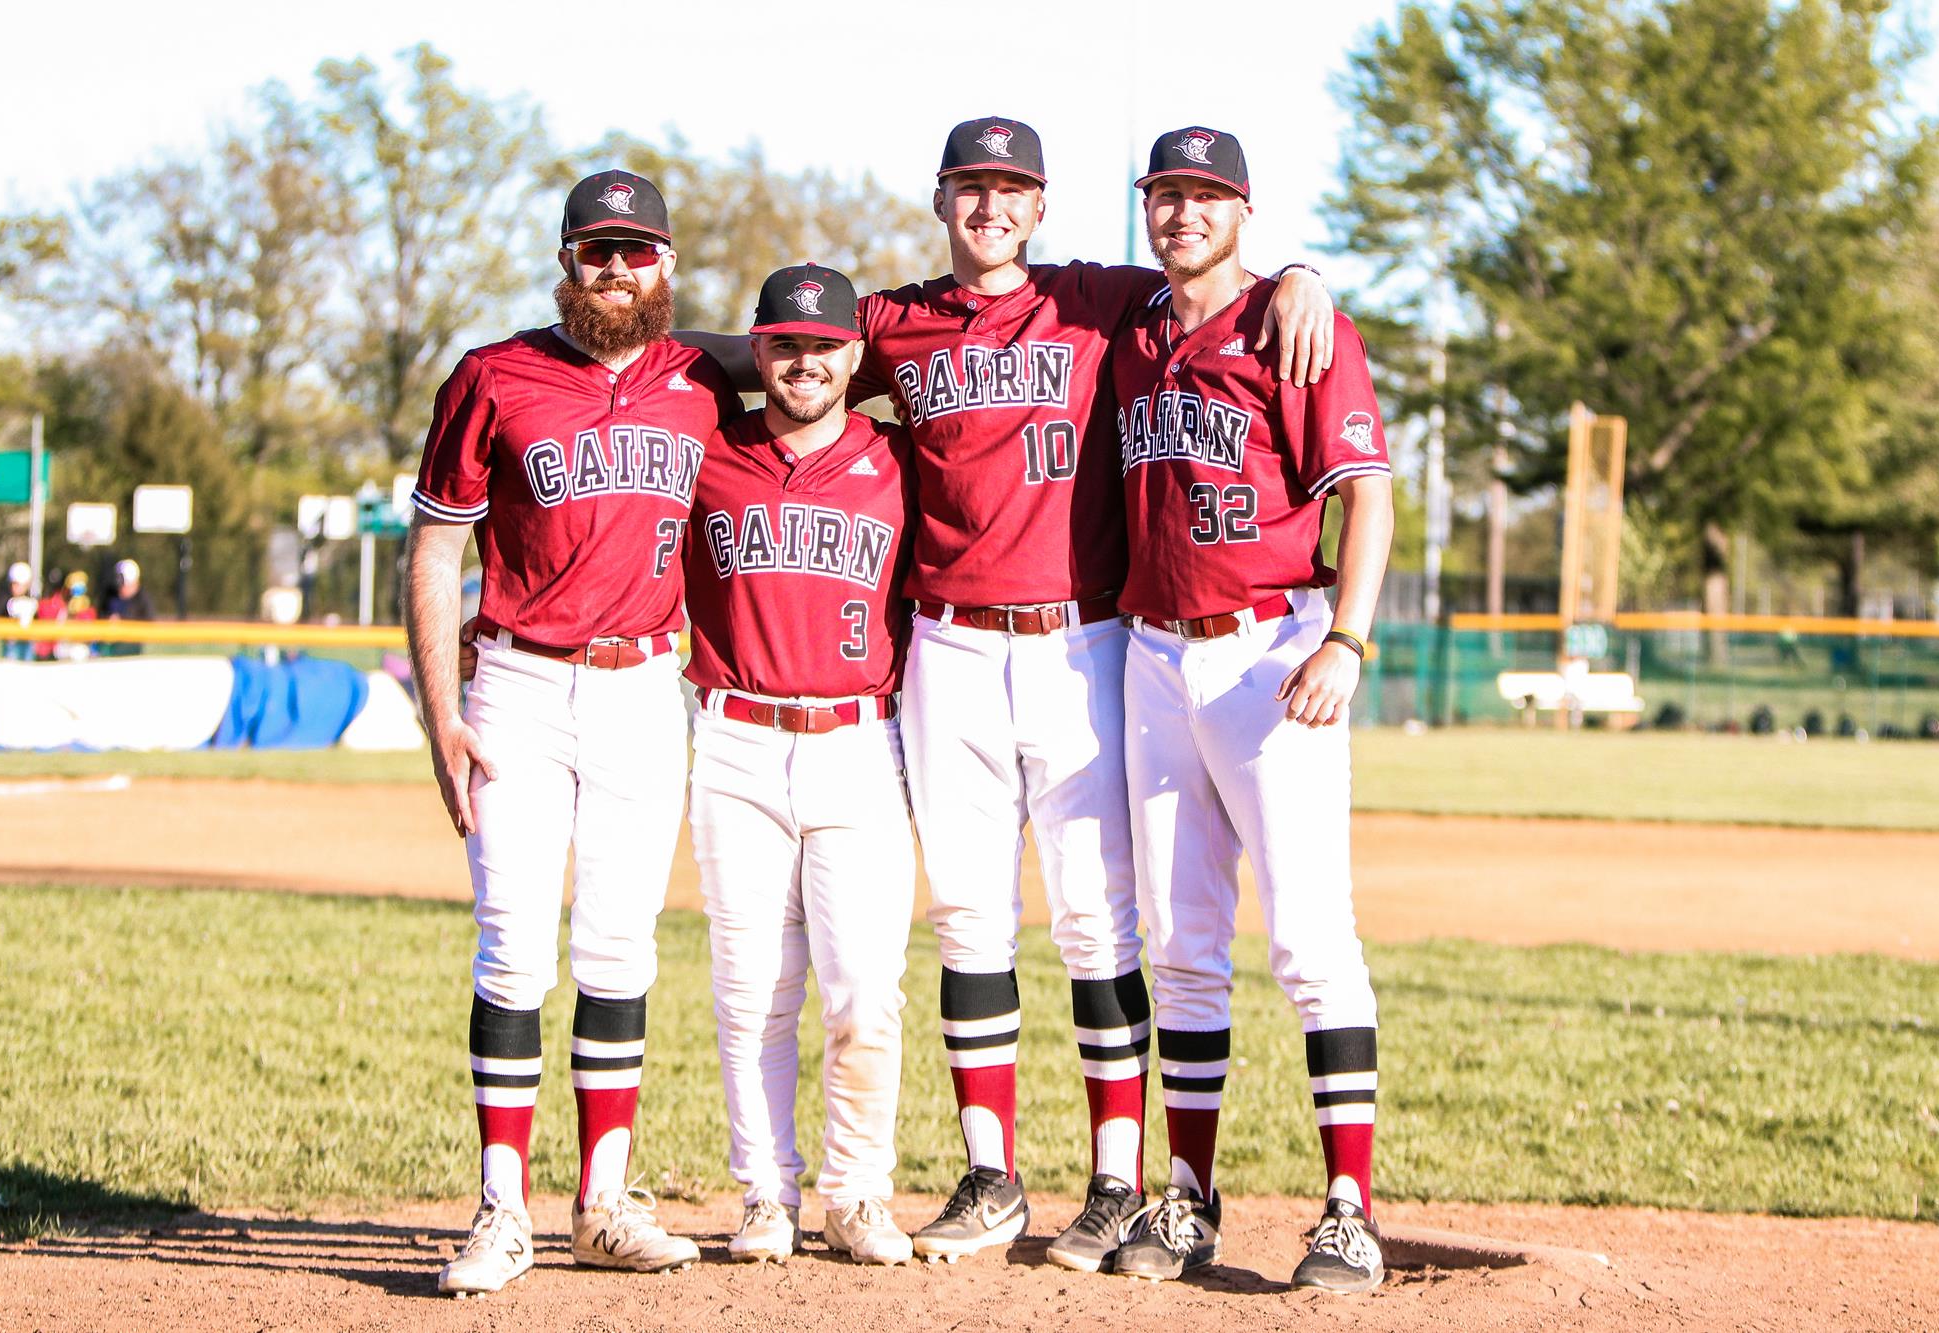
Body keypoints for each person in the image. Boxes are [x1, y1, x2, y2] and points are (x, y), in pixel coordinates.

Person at [681, 115, 1335, 1273]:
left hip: (1080, 641)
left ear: (1039, 205)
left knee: (1094, 917)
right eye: (970, 186)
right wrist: (635, 355)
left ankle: (1114, 1183)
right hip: (947, 646)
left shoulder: (1097, 301)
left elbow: (1216, 283)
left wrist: (1303, 276)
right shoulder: (893, 320)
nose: (990, 206)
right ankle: (988, 1174)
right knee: (970, 915)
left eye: (1011, 187)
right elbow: (775, 349)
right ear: (941, 200)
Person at [403, 169, 739, 1298]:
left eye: (637, 251)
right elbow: (436, 547)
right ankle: (503, 1207)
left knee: (619, 946)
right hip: (517, 686)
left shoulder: (700, 378)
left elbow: (825, 350)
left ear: (667, 265)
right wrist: (440, 711)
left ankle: (603, 1201)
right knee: (510, 943)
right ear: (565, 261)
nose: (617, 270)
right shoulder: (493, 376)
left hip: (647, 686)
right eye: (597, 251)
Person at [1106, 127, 1394, 1294]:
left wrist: (1346, 637)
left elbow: (1366, 494)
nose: (1181, 214)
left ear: (1242, 210)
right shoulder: (1128, 332)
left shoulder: (1293, 325)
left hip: (1272, 648)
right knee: (1180, 947)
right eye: (1164, 196)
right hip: (1150, 659)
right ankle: (1187, 1197)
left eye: (1203, 197)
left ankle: (1348, 1207)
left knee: (1308, 940)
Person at [683, 264, 919, 1267]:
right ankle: (764, 1195)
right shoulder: (705, 449)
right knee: (750, 991)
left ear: (854, 355)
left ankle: (857, 1190)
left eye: (824, 344)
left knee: (863, 990)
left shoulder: (900, 457)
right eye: (782, 344)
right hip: (733, 738)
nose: (803, 362)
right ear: (756, 349)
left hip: (859, 740)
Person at [101, 559, 156, 656]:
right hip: (106, 645)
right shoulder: (110, 595)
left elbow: (149, 623)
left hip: (130, 647)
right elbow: (100, 614)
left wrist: (121, 621)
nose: (120, 587)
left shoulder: (142, 599)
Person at [0, 562, 37, 661]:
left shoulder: (31, 602)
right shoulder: (3, 600)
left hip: (25, 645)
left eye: (22, 585)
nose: (18, 588)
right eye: (16, 584)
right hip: (9, 646)